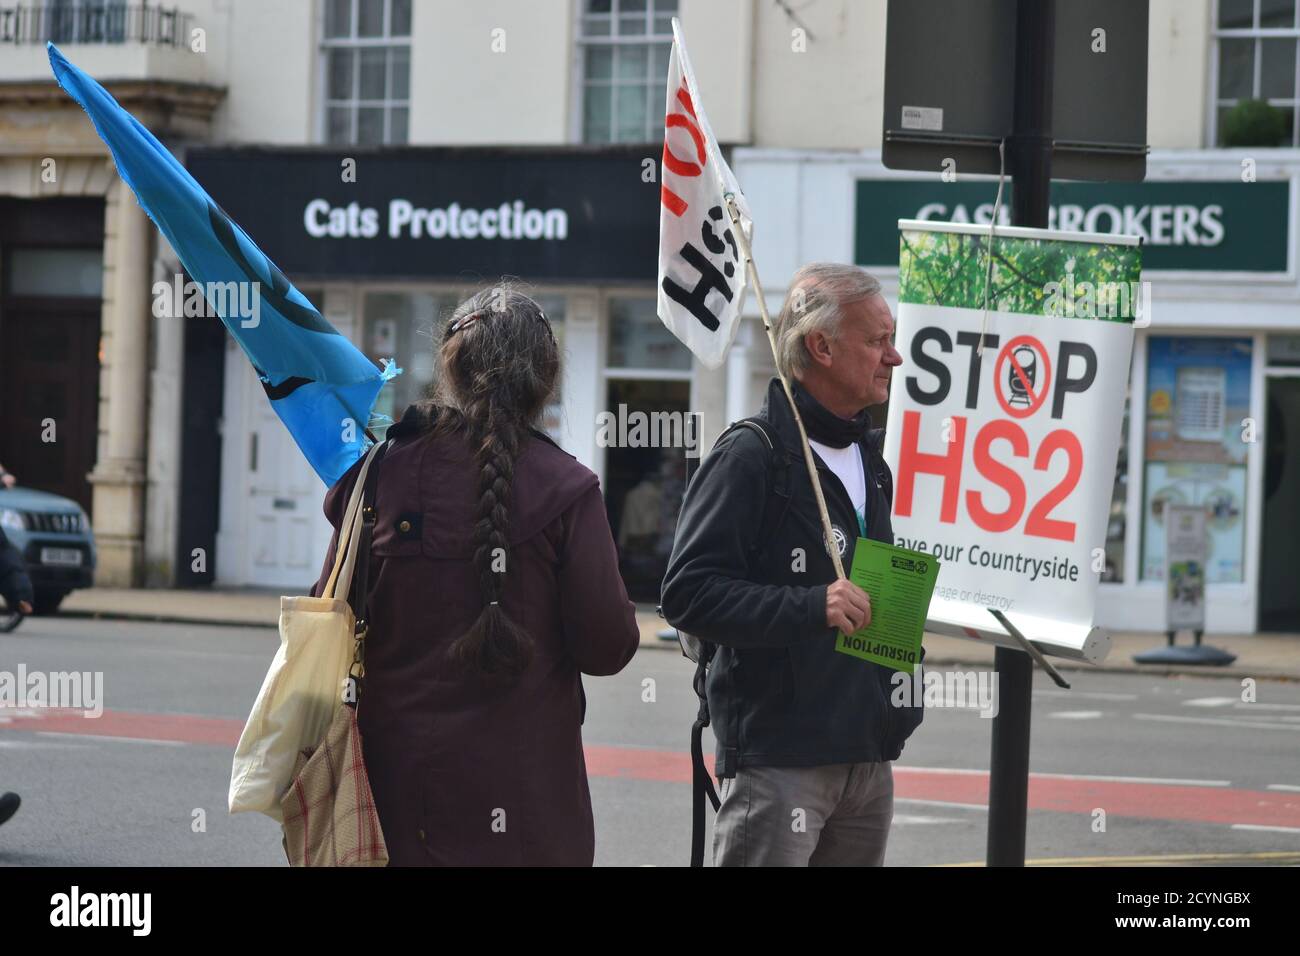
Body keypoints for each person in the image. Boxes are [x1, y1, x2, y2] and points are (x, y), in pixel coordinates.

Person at [311, 286, 640, 866]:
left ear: (452, 369)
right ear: (545, 380)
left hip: (392, 800)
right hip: (528, 807)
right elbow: (607, 647)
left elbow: (326, 612)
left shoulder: (378, 475)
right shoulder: (568, 489)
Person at [661, 262, 923, 867]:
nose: (895, 357)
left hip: (868, 754)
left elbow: (872, 601)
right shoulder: (752, 455)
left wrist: (903, 698)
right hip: (781, 761)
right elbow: (688, 595)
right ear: (821, 347)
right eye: (878, 340)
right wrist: (812, 605)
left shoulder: (870, 456)